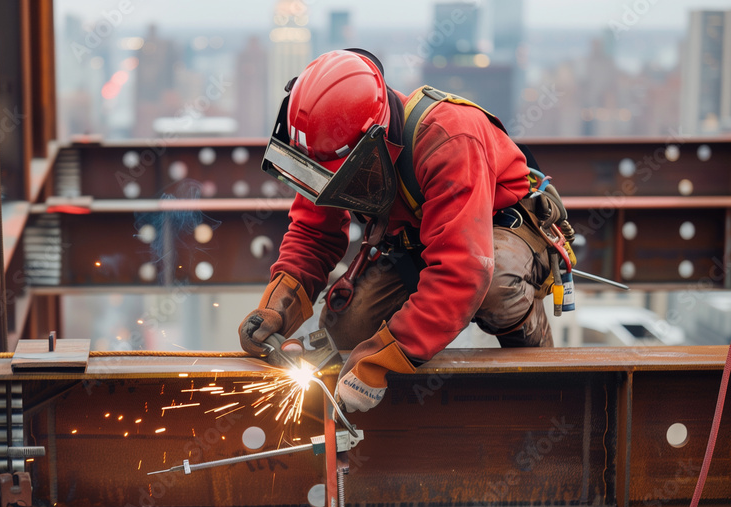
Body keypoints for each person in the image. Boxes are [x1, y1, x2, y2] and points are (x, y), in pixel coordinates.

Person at [238, 49, 571, 412]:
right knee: (346, 332)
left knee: (494, 282)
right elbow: (313, 235)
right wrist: (277, 308)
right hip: (422, 243)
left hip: (498, 234)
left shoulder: (447, 138)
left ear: (373, 142)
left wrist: (380, 362)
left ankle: (538, 369)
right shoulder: (327, 149)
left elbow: (465, 269)